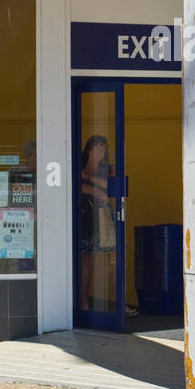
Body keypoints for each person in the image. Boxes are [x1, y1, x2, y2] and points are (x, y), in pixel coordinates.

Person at [79, 135, 133, 316]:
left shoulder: (107, 168)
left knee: (116, 258)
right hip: (85, 215)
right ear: (89, 149)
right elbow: (72, 186)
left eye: (104, 148)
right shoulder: (77, 164)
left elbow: (113, 187)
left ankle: (120, 304)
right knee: (87, 260)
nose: (101, 151)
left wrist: (88, 179)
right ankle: (83, 302)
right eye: (97, 147)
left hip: (105, 214)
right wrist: (95, 191)